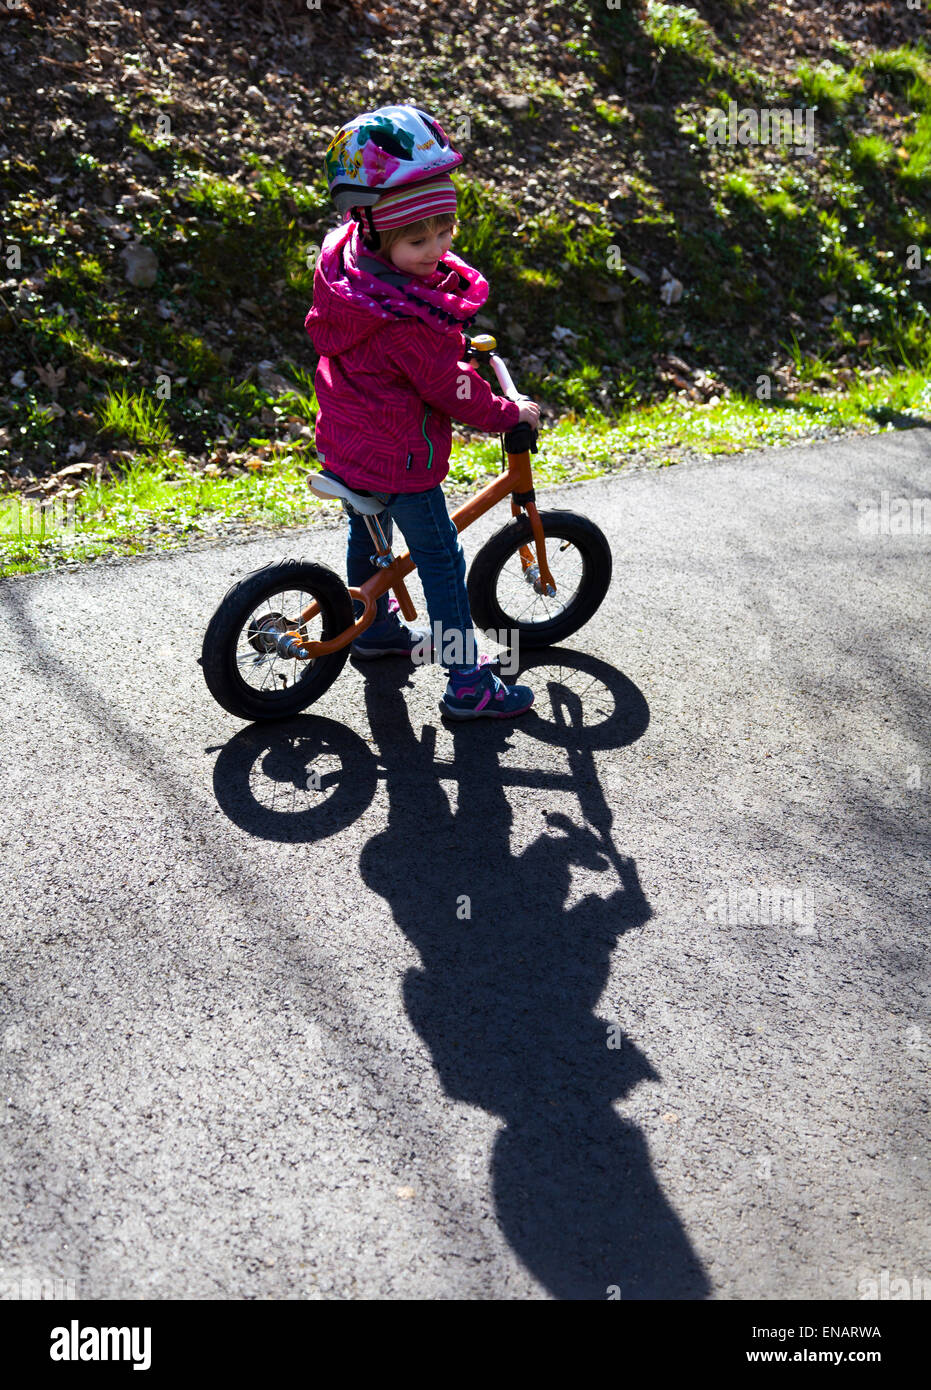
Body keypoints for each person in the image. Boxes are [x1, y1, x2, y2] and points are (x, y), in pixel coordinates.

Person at [304, 104, 539, 720]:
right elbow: (450, 390)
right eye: (418, 238)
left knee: (369, 532)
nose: (436, 248)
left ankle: (377, 629)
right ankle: (468, 681)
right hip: (404, 462)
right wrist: (507, 413)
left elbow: (398, 363)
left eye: (445, 231)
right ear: (374, 227)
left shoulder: (346, 276)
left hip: (347, 446)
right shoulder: (411, 323)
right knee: (440, 559)